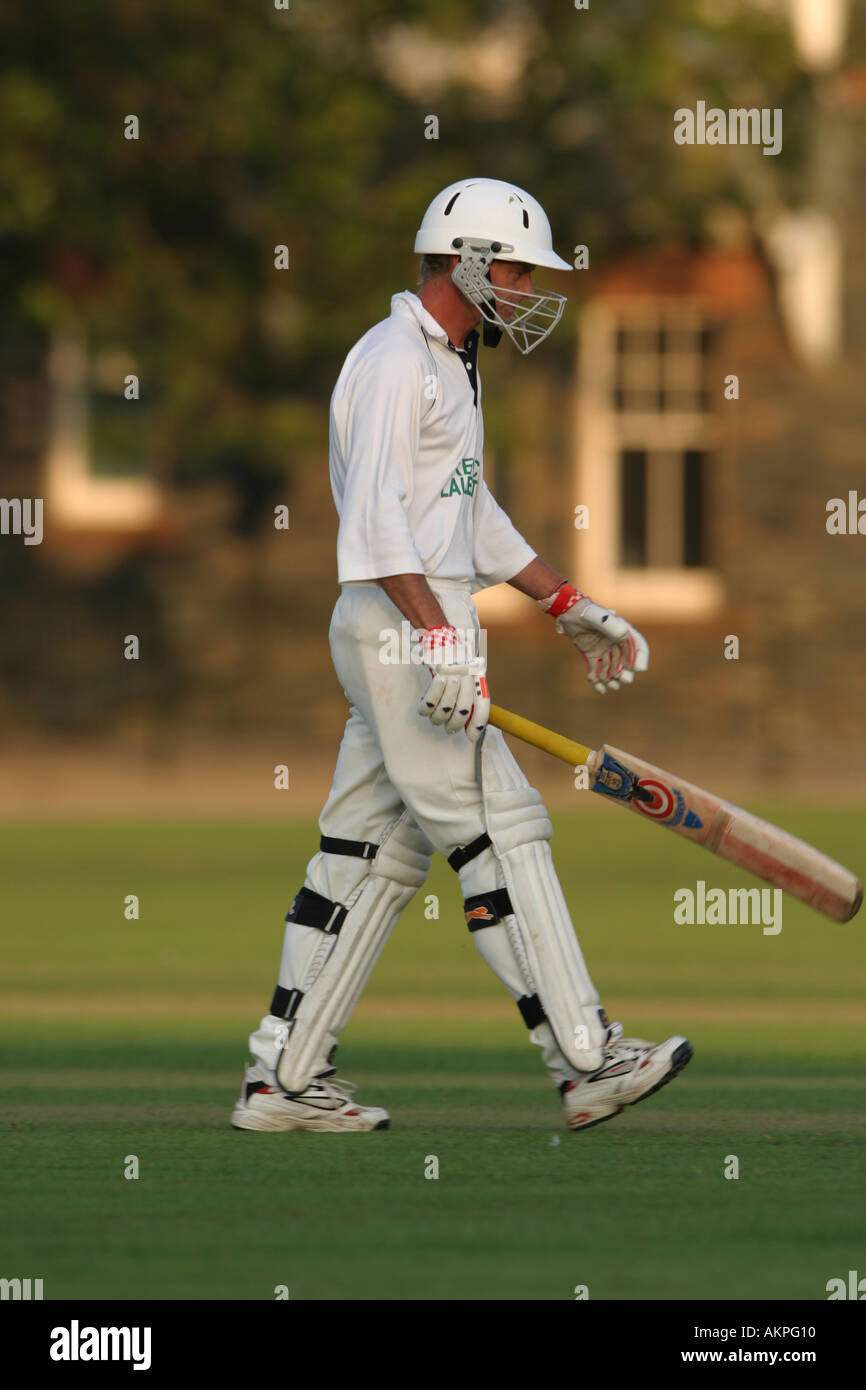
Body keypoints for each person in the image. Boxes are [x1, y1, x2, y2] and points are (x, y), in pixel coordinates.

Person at [231, 178, 692, 1135]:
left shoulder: (452, 362)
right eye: (518, 269)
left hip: (416, 622)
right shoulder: (394, 360)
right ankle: (588, 1058)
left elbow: (469, 517)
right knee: (501, 830)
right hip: (404, 623)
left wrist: (567, 601)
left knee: (371, 853)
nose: (528, 289)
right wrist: (440, 638)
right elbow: (374, 527)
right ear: (469, 262)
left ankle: (283, 1079)